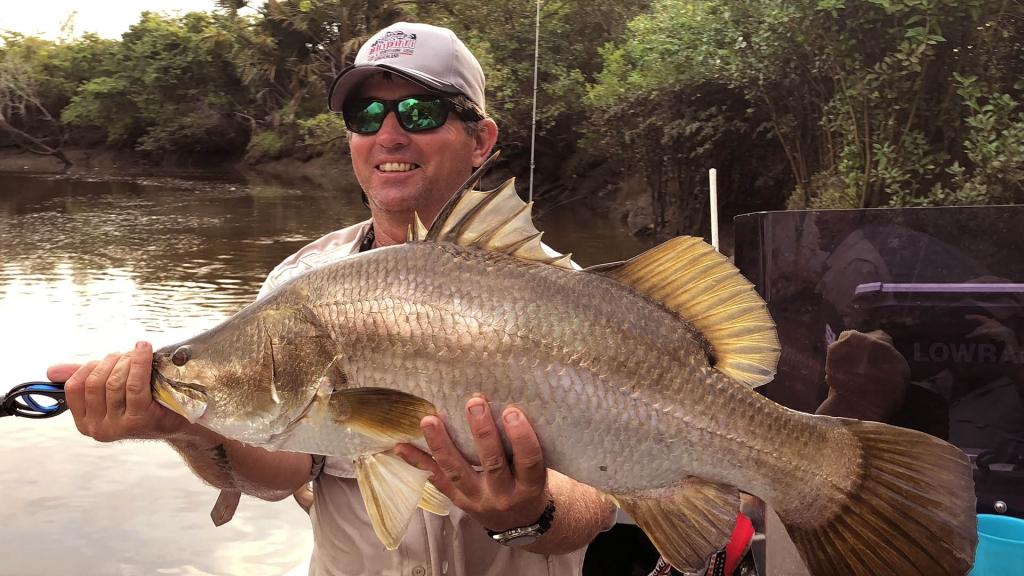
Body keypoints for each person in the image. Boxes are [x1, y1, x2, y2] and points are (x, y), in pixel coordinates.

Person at [47, 22, 615, 576]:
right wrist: (186, 427)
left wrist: (527, 514)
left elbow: (598, 503)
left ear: (481, 141)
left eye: (420, 112)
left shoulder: (570, 299)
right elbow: (285, 471)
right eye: (365, 115)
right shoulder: (297, 285)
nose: (388, 135)